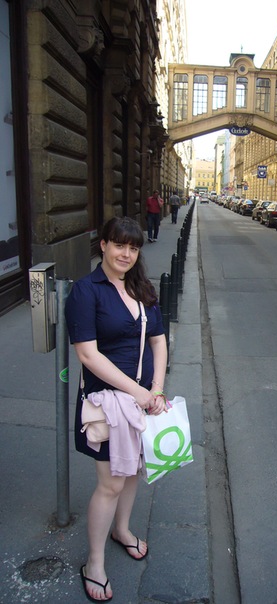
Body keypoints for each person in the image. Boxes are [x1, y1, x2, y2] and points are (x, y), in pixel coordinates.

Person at [65, 216, 168, 602]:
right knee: (110, 483)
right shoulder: (86, 291)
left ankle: (121, 529)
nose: (126, 253)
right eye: (119, 245)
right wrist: (138, 392)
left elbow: (158, 341)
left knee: (133, 471)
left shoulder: (141, 287)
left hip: (143, 398)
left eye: (133, 247)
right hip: (106, 402)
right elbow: (88, 355)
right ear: (104, 245)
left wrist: (156, 389)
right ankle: (94, 563)